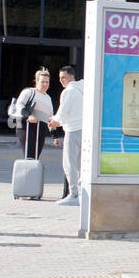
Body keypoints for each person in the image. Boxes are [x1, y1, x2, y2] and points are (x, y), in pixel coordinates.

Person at [47, 65, 85, 205]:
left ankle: (73, 194)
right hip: (85, 130)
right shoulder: (84, 88)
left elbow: (63, 112)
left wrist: (54, 121)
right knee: (82, 164)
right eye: (60, 78)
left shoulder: (68, 92)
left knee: (69, 164)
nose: (61, 80)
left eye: (64, 77)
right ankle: (81, 193)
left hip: (72, 130)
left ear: (71, 77)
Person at [12, 67, 54, 161]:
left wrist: (54, 135)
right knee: (30, 155)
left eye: (47, 82)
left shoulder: (48, 98)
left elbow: (50, 117)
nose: (45, 84)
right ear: (36, 81)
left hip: (41, 129)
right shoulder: (29, 92)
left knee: (36, 156)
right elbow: (19, 104)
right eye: (42, 81)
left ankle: (32, 174)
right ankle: (27, 174)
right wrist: (29, 115)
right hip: (26, 126)